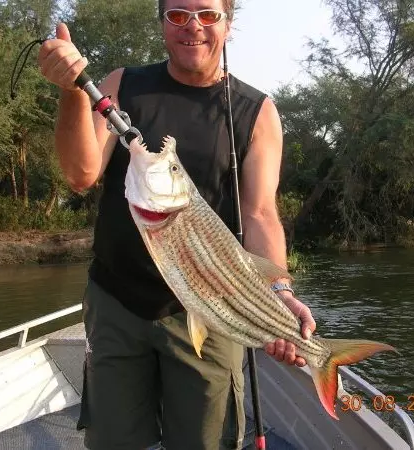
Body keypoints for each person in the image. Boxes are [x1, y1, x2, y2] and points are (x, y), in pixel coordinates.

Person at [38, 1, 316, 449]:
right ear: (161, 22)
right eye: (178, 15)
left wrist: (280, 291)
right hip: (117, 301)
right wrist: (72, 90)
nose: (193, 27)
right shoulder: (122, 84)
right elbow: (80, 174)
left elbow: (261, 212)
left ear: (228, 22)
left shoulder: (257, 111)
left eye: (207, 14)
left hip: (213, 308)